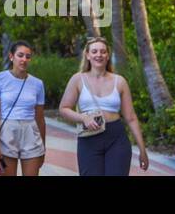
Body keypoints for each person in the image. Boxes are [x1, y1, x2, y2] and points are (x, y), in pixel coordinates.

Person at [59, 36, 150, 175]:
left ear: (108, 56)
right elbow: (63, 109)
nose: (99, 55)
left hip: (116, 138)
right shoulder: (78, 79)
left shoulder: (119, 81)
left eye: (103, 51)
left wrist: (143, 150)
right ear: (88, 55)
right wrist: (83, 118)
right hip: (89, 138)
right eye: (94, 51)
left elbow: (131, 117)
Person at [0, 41, 46, 176]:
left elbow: (40, 118)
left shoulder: (38, 84)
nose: (24, 59)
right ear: (11, 56)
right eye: (20, 55)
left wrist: (43, 148)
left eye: (28, 56)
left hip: (31, 133)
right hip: (7, 133)